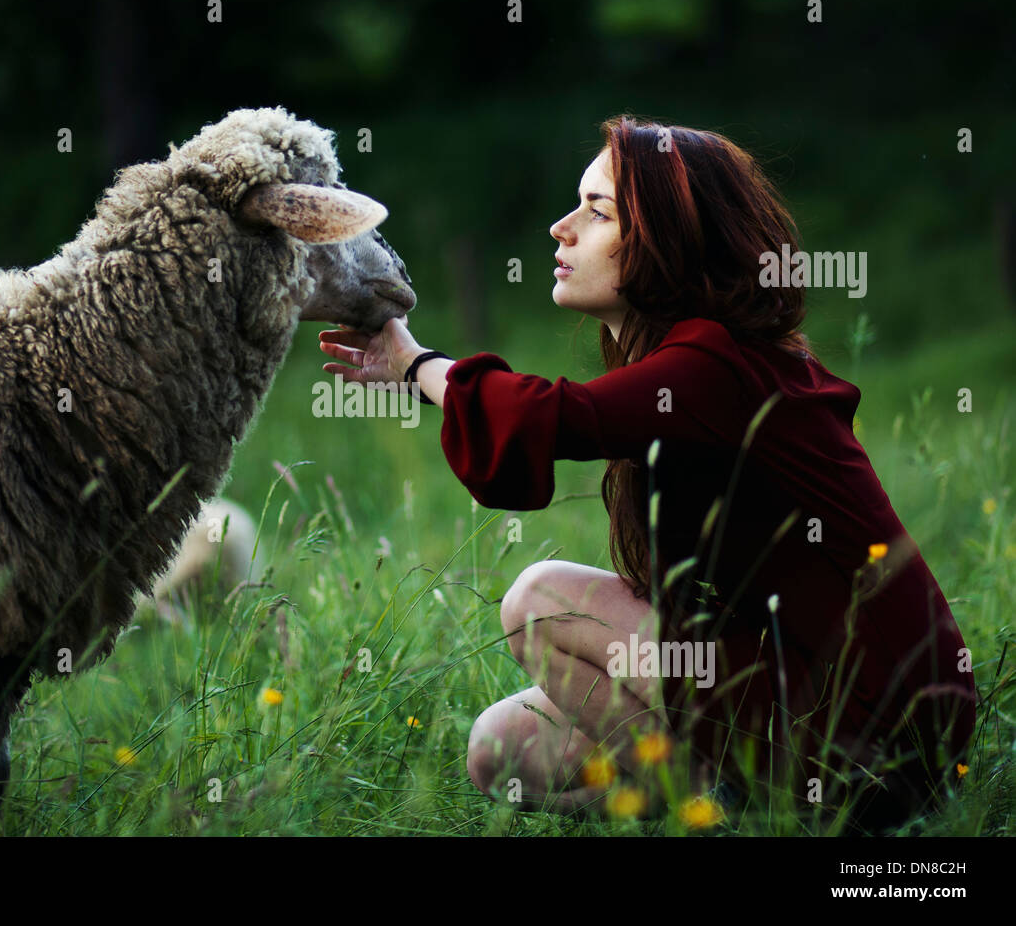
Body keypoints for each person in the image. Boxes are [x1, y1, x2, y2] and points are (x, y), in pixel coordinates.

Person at [318, 115, 978, 834]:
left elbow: (545, 421)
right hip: (784, 688)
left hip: (870, 724)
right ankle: (735, 793)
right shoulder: (688, 362)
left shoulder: (715, 365)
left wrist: (418, 364)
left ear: (671, 241)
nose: (560, 229)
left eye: (597, 212)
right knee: (505, 749)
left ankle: (738, 813)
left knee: (542, 600)